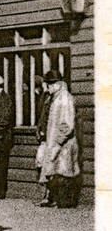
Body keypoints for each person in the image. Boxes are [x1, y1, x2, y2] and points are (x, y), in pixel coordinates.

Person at [38, 70, 80, 207]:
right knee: (57, 171)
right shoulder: (55, 98)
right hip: (56, 142)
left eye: (50, 84)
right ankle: (57, 200)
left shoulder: (64, 99)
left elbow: (67, 125)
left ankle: (65, 202)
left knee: (64, 173)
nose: (47, 87)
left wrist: (58, 141)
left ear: (57, 84)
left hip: (64, 144)